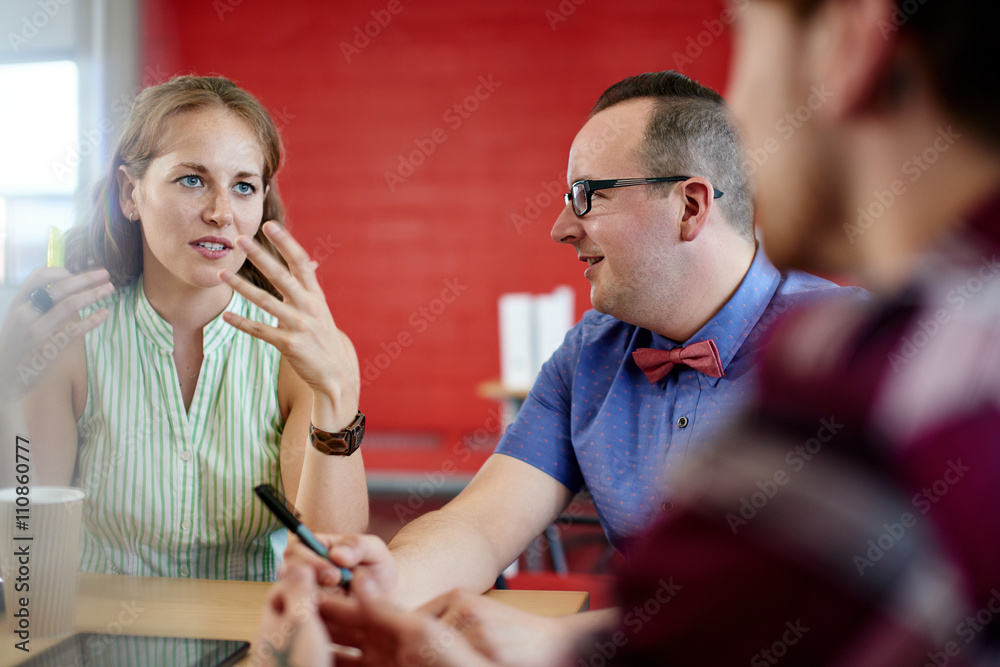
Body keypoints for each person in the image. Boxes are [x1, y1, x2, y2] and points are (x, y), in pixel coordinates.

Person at [253, 71, 866, 665]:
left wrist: (565, 644)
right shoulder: (591, 353)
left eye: (587, 195)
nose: (560, 228)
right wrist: (389, 579)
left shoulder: (850, 351)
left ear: (690, 206)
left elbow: (837, 600)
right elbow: (479, 528)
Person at [0, 75, 368, 581]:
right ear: (132, 194)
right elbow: (23, 545)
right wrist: (8, 391)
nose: (221, 213)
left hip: (249, 641)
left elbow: (331, 559)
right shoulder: (68, 341)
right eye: (192, 179)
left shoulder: (298, 352)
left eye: (243, 186)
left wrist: (336, 392)